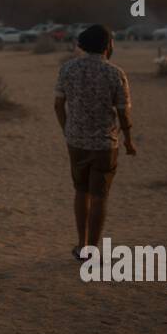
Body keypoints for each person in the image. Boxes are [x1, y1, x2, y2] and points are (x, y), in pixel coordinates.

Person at [54, 24, 136, 263]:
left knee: (81, 192)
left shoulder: (67, 69)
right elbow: (123, 114)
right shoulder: (115, 73)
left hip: (76, 142)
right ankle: (92, 248)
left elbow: (58, 105)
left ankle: (82, 246)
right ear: (108, 46)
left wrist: (67, 130)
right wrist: (129, 141)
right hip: (105, 144)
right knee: (100, 196)